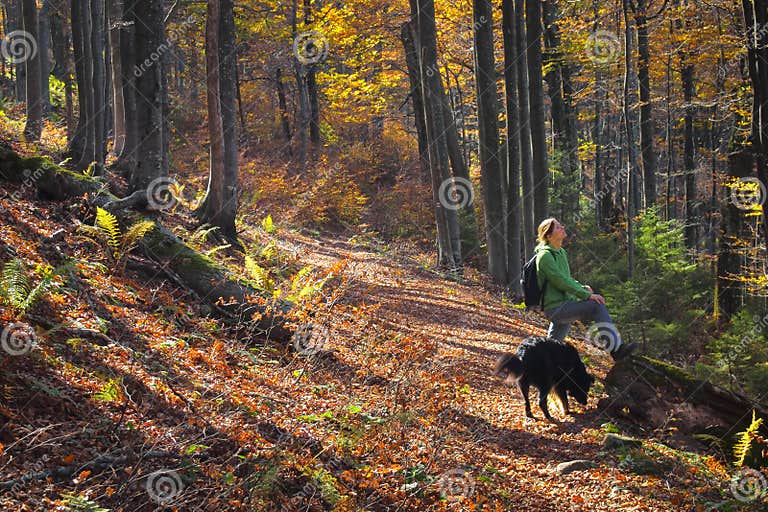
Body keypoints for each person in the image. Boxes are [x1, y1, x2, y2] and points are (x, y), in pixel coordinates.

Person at [534, 217, 637, 361]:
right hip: (556, 308)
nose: (562, 227)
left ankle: (537, 366)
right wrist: (586, 296)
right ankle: (616, 349)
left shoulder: (560, 252)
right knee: (596, 305)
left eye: (560, 225)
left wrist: (582, 288)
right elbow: (560, 281)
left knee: (552, 347)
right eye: (558, 227)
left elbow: (566, 278)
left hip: (563, 304)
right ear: (549, 235)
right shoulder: (544, 256)